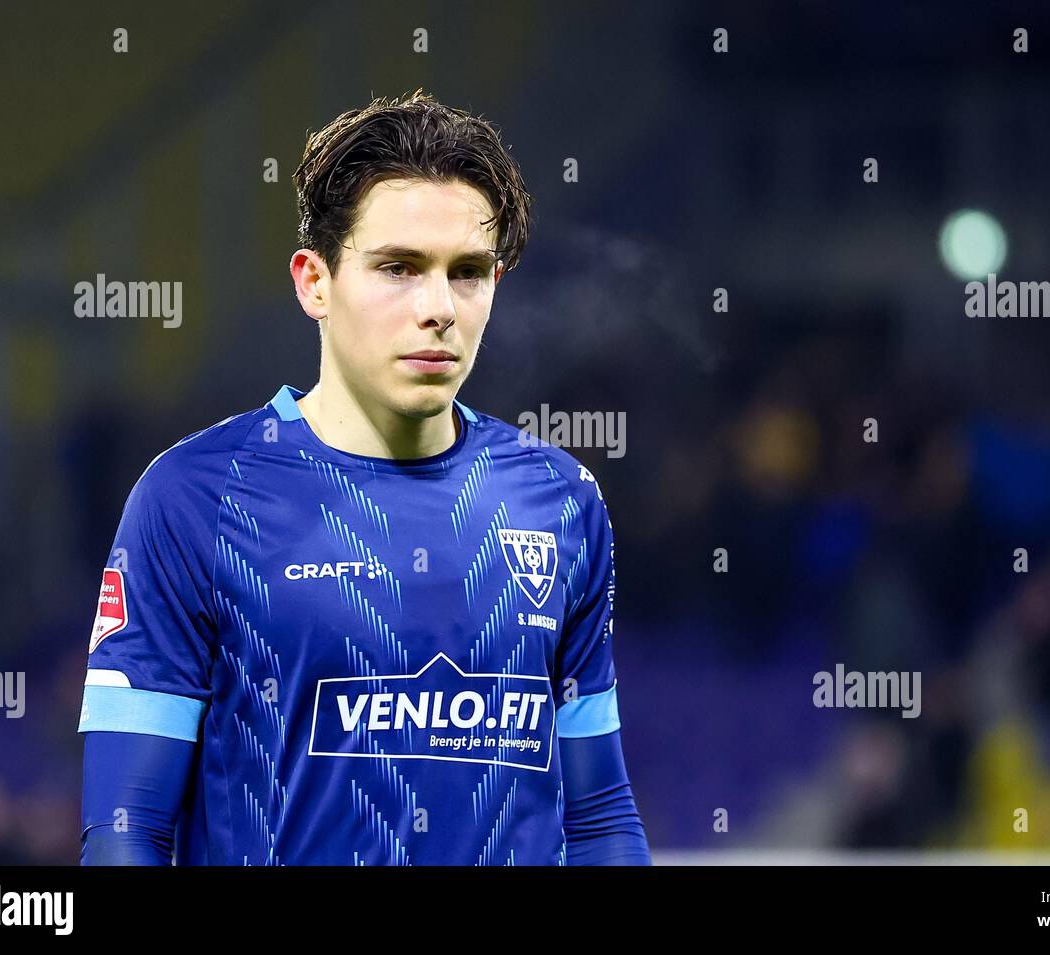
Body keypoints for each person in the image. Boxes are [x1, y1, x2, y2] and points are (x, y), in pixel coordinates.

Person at [77, 89, 650, 865]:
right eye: (399, 268)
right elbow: (124, 831)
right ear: (315, 280)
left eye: (468, 271)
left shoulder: (561, 500)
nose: (439, 307)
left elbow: (602, 819)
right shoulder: (196, 499)